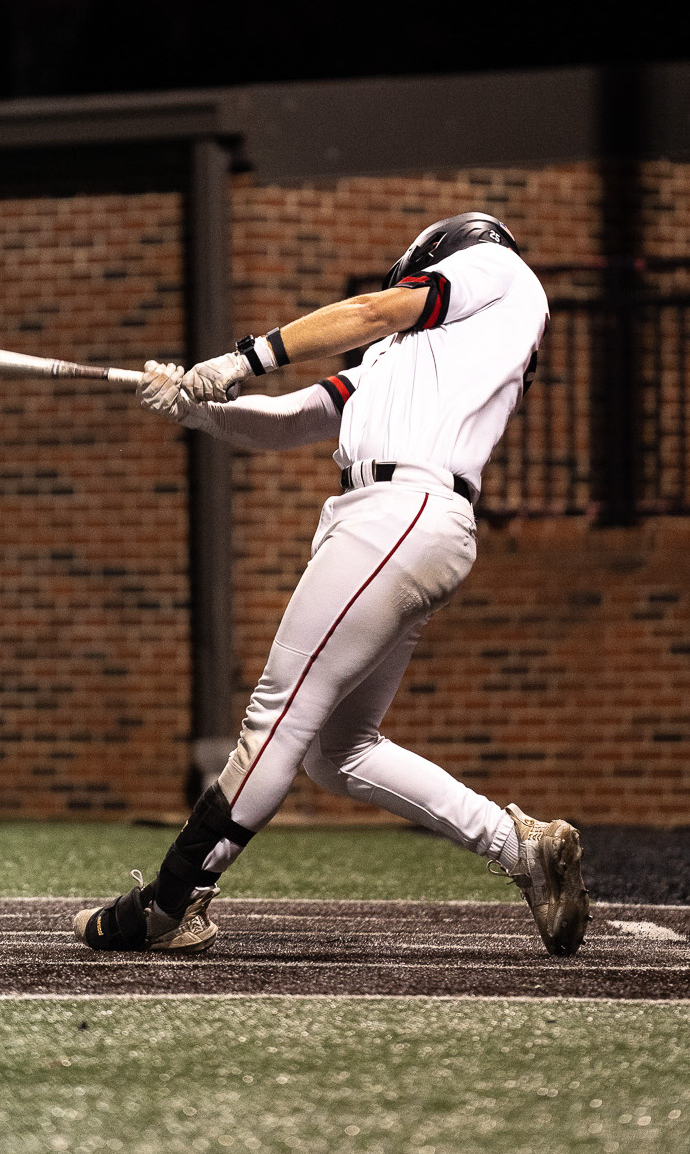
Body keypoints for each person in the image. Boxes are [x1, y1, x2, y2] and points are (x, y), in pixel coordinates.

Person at [73, 211, 591, 958]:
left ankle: (170, 901)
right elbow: (289, 422)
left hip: (400, 513)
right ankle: (520, 847)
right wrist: (197, 408)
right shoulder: (413, 356)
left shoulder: (496, 269)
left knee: (276, 717)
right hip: (396, 521)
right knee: (337, 750)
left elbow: (371, 309)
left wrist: (242, 358)